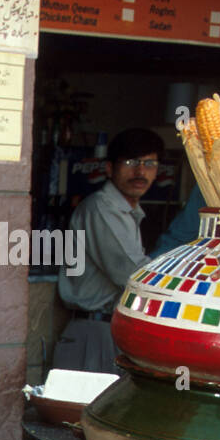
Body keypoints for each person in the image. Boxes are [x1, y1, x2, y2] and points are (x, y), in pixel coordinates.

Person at [54, 128, 164, 374]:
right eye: (130, 162)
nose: (140, 171)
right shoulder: (100, 209)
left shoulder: (128, 213)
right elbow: (134, 275)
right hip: (94, 333)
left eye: (149, 163)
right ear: (109, 168)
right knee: (83, 411)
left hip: (113, 330)